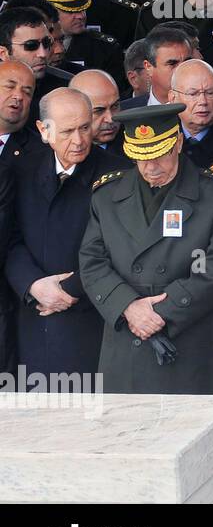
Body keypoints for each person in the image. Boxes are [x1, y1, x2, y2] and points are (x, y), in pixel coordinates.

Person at [78, 103, 213, 394]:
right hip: (128, 339)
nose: (151, 166)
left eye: (159, 154)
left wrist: (158, 314)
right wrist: (129, 307)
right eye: (142, 157)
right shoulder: (107, 196)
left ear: (178, 142)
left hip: (191, 339)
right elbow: (92, 262)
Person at [6, 87, 127, 381]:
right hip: (33, 320)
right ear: (43, 131)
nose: (79, 140)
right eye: (68, 131)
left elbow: (121, 250)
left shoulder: (119, 175)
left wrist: (68, 291)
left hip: (92, 320)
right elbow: (10, 238)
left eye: (85, 128)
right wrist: (31, 285)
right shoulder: (20, 169)